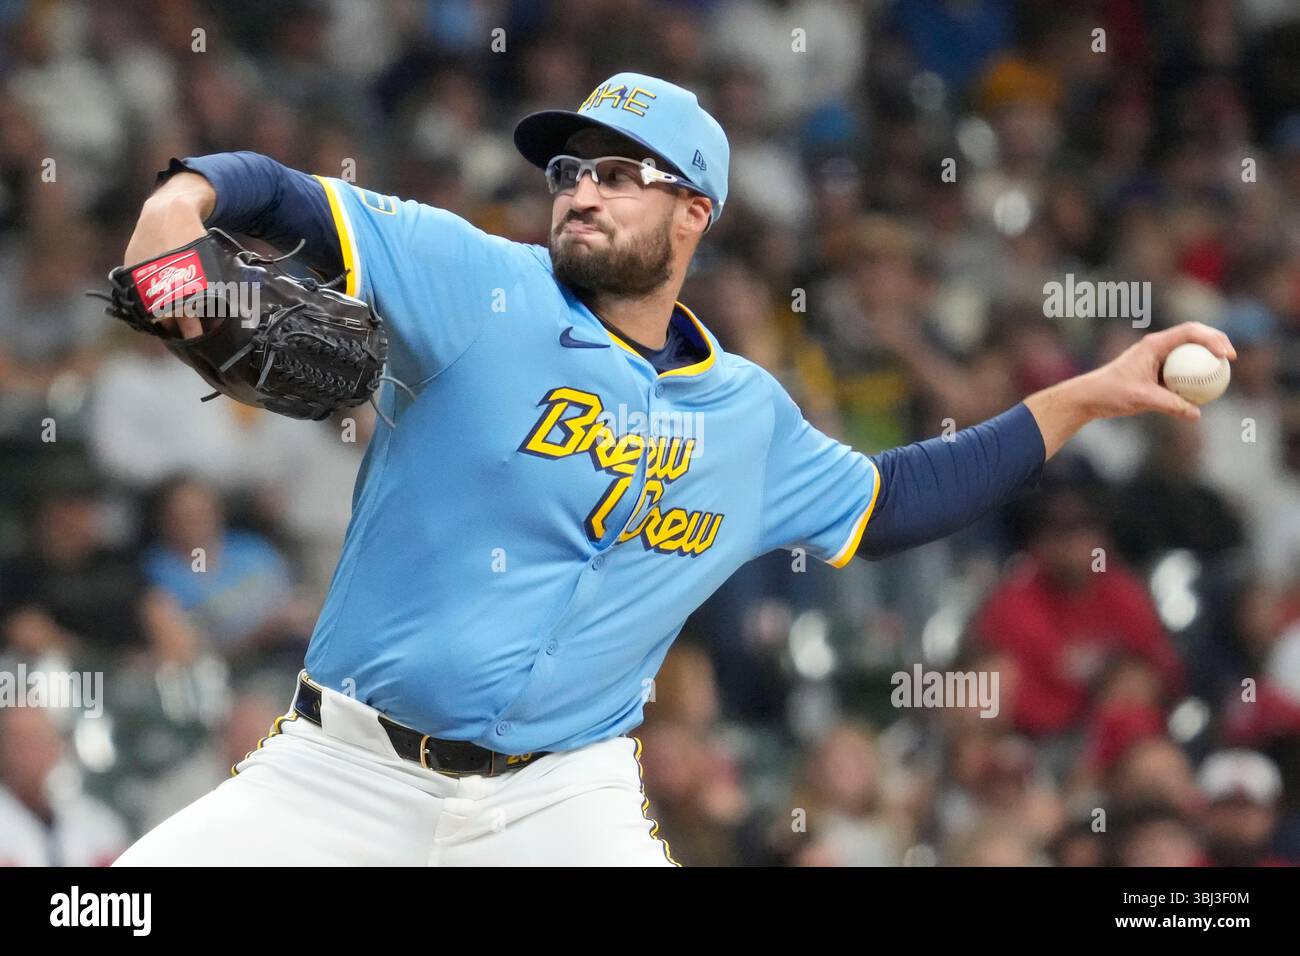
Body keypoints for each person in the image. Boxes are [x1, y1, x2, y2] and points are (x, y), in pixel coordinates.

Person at [112, 72, 1235, 866]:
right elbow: (275, 189)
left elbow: (896, 500)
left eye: (617, 172)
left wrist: (1087, 392)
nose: (580, 190)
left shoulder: (748, 414)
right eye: (567, 169)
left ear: (694, 209)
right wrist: (180, 200)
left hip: (560, 796)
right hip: (345, 770)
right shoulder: (474, 280)